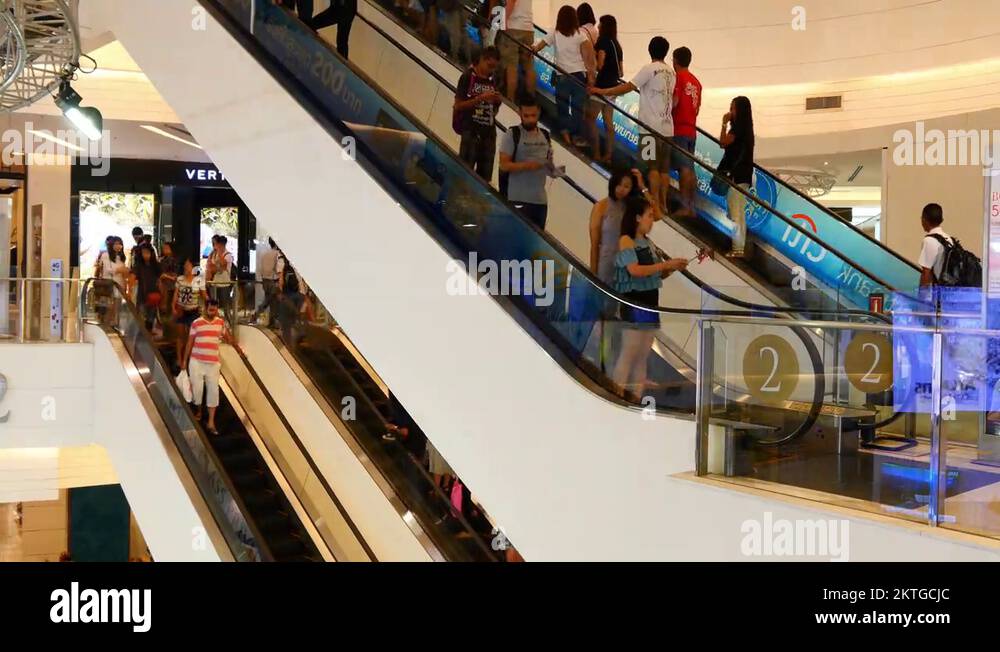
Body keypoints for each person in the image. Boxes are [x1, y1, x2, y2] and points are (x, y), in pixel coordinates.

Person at [612, 196, 687, 399]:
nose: (652, 220)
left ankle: (635, 397)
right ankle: (617, 394)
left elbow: (655, 273)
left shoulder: (648, 243)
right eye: (649, 216)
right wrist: (665, 265)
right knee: (629, 352)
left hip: (651, 301)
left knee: (642, 355)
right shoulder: (626, 240)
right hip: (635, 301)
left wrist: (672, 268)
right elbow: (634, 270)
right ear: (637, 217)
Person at [591, 36, 676, 213]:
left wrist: (602, 91)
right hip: (668, 128)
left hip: (650, 128)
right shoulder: (671, 72)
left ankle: (655, 204)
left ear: (650, 50)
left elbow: (627, 87)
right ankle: (664, 204)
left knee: (652, 167)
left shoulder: (649, 69)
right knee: (664, 169)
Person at [531, 5, 595, 147]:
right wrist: (590, 80)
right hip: (579, 76)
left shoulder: (555, 32)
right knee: (578, 108)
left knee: (563, 107)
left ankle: (565, 135)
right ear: (574, 19)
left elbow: (539, 46)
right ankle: (576, 136)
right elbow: (589, 60)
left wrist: (533, 49)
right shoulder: (581, 35)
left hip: (562, 76)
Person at [181, 299, 238, 436]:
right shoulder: (196, 323)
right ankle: (199, 410)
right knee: (197, 390)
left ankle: (211, 422)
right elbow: (190, 342)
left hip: (213, 363)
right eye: (211, 309)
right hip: (196, 361)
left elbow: (229, 339)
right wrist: (184, 360)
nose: (213, 312)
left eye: (215, 309)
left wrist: (233, 343)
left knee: (213, 391)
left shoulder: (220, 323)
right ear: (205, 308)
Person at [499, 96, 556, 229]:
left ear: (539, 113)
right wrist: (529, 165)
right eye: (526, 115)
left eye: (533, 115)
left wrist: (553, 170)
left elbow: (548, 164)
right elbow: (504, 164)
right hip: (517, 197)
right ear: (520, 113)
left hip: (540, 200)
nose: (530, 119)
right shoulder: (512, 134)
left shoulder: (545, 135)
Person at [455, 46, 503, 182]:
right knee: (464, 172)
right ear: (481, 60)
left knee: (484, 177)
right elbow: (458, 105)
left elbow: (494, 111)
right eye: (489, 65)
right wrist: (480, 99)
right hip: (471, 131)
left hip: (489, 133)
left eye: (494, 67)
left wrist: (497, 102)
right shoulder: (467, 77)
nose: (491, 70)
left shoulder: (493, 80)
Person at [718, 96, 755, 258]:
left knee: (737, 211)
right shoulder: (747, 128)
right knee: (736, 209)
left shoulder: (738, 128)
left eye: (732, 108)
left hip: (738, 174)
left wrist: (724, 123)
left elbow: (723, 142)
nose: (730, 111)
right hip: (743, 173)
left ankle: (738, 248)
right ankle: (737, 246)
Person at [671, 46, 701, 219]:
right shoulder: (697, 82)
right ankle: (693, 206)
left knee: (683, 169)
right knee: (690, 168)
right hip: (691, 129)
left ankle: (685, 206)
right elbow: (697, 108)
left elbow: (674, 102)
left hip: (679, 128)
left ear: (675, 61)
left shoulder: (678, 78)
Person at [593, 14, 623, 163]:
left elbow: (599, 64)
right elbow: (621, 72)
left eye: (600, 24)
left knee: (589, 117)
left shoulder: (603, 41)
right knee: (608, 121)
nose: (598, 27)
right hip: (613, 85)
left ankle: (597, 152)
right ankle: (609, 155)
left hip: (601, 85)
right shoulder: (617, 45)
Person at [289, 0, 358, 58]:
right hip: (347, 10)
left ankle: (304, 50)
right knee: (342, 41)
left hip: (340, 9)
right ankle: (344, 63)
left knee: (311, 25)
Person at [576, 3, 602, 157]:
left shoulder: (580, 32)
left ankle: (588, 145)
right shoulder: (596, 31)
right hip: (599, 76)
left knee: (586, 115)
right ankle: (597, 152)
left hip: (587, 75)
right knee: (592, 117)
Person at [173, 258, 207, 364]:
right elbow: (176, 294)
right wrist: (173, 306)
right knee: (180, 337)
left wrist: (210, 305)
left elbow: (204, 295)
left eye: (188, 265)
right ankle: (179, 359)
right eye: (185, 265)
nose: (185, 267)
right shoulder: (180, 279)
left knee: (190, 336)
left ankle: (188, 359)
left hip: (193, 311)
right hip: (181, 310)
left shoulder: (199, 280)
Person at [499, 0, 536, 100]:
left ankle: (510, 101)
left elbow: (511, 1)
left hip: (514, 26)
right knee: (529, 67)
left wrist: (504, 21)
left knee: (511, 66)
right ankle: (531, 100)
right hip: (528, 28)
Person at [918, 203, 953, 287]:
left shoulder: (929, 240)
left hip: (938, 291)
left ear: (924, 219)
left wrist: (922, 296)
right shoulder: (948, 238)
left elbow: (926, 273)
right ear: (942, 219)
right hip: (949, 289)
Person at [132, 243, 162, 331]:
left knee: (151, 318)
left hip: (153, 294)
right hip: (142, 295)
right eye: (143, 253)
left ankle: (148, 335)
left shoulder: (156, 265)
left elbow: (161, 279)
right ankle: (142, 336)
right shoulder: (139, 265)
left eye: (147, 253)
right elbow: (133, 277)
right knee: (140, 317)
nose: (145, 255)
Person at [256, 238, 282, 326]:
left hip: (265, 280)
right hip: (273, 280)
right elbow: (278, 269)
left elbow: (261, 268)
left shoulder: (265, 254)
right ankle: (255, 315)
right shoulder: (277, 254)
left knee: (272, 302)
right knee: (268, 301)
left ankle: (272, 322)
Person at [206, 235, 235, 311]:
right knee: (214, 303)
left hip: (224, 283)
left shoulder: (227, 255)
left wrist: (219, 254)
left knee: (225, 304)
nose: (214, 246)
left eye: (215, 244)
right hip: (215, 282)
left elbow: (222, 266)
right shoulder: (213, 254)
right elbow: (209, 266)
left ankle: (228, 319)